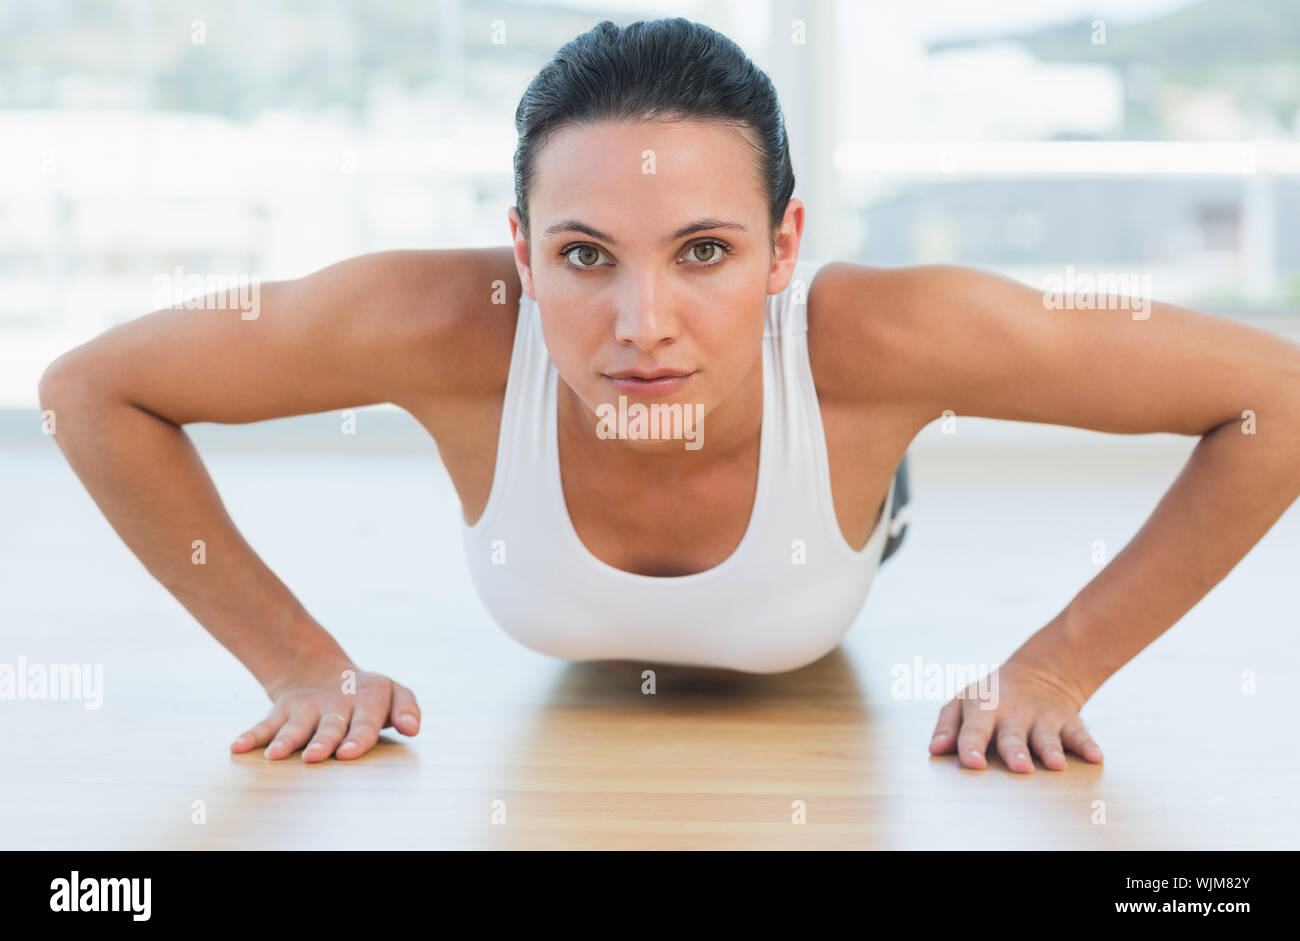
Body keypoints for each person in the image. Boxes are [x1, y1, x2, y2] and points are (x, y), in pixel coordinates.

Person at [38, 18, 1300, 773]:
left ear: (784, 246)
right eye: (585, 254)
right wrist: (296, 665)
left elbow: (1274, 398)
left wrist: (1056, 672)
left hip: (832, 494)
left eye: (705, 250)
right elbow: (94, 389)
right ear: (521, 250)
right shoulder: (439, 319)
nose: (642, 325)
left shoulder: (879, 331)